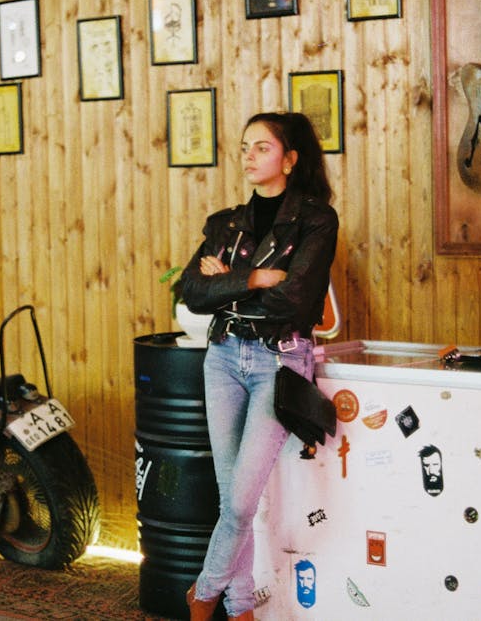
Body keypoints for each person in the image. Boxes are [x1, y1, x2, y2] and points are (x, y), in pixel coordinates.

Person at [176, 111, 338, 621]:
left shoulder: (317, 220)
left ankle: (202, 596)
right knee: (233, 500)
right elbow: (193, 292)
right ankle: (242, 609)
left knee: (241, 503)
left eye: (261, 148)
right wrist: (254, 279)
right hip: (222, 358)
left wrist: (232, 279)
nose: (248, 155)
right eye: (245, 146)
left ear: (289, 160)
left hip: (280, 362)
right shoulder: (225, 224)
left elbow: (296, 302)